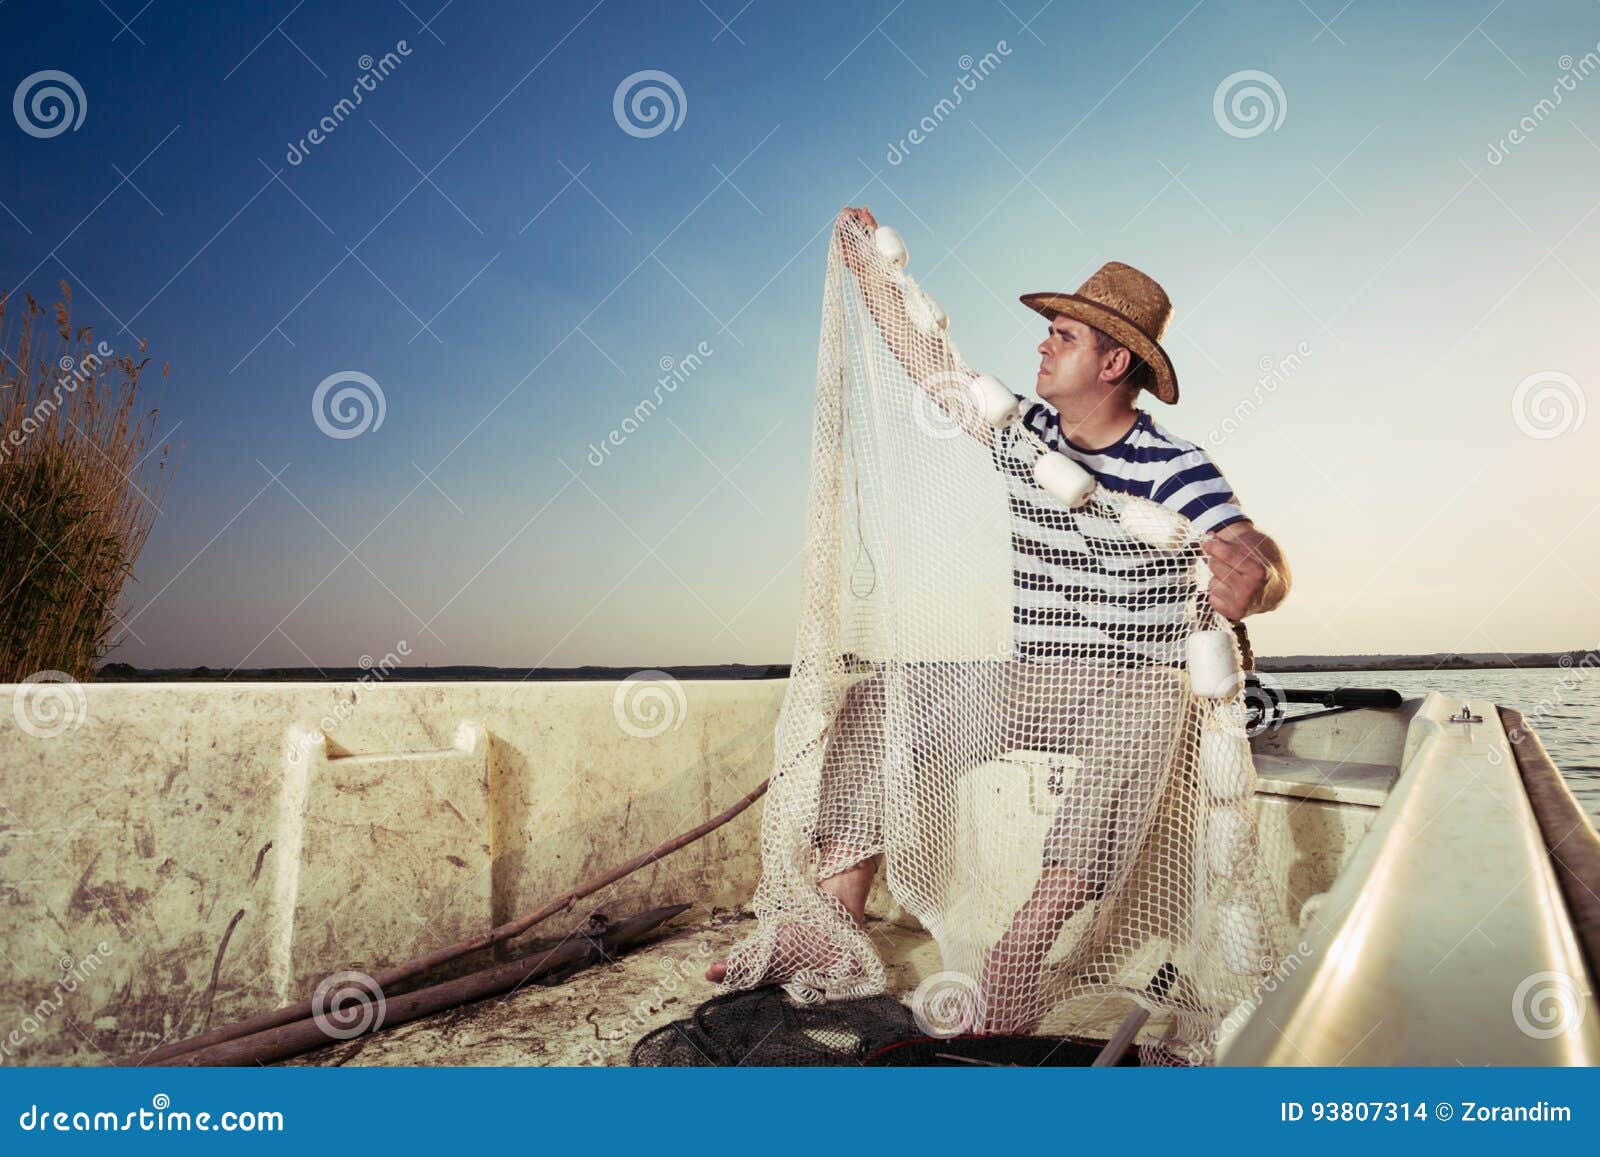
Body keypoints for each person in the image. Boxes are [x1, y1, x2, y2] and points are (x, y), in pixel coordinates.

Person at [708, 205, 1291, 1032]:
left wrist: (1253, 576)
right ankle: (834, 923)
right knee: (885, 695)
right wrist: (871, 267)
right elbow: (925, 358)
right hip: (1034, 678)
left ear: (1113, 359)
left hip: (1132, 690)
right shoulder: (1026, 434)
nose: (1043, 345)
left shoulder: (1176, 467)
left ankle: (1020, 955)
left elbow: (1252, 550)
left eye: (1062, 335)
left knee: (1156, 697)